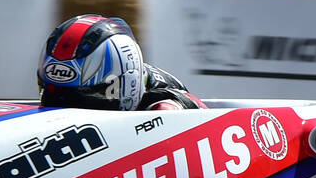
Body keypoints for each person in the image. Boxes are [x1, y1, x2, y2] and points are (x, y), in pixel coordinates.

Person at [37, 14, 204, 111]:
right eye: (52, 94)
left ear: (122, 86)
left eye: (77, 99)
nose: (62, 107)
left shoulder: (167, 107)